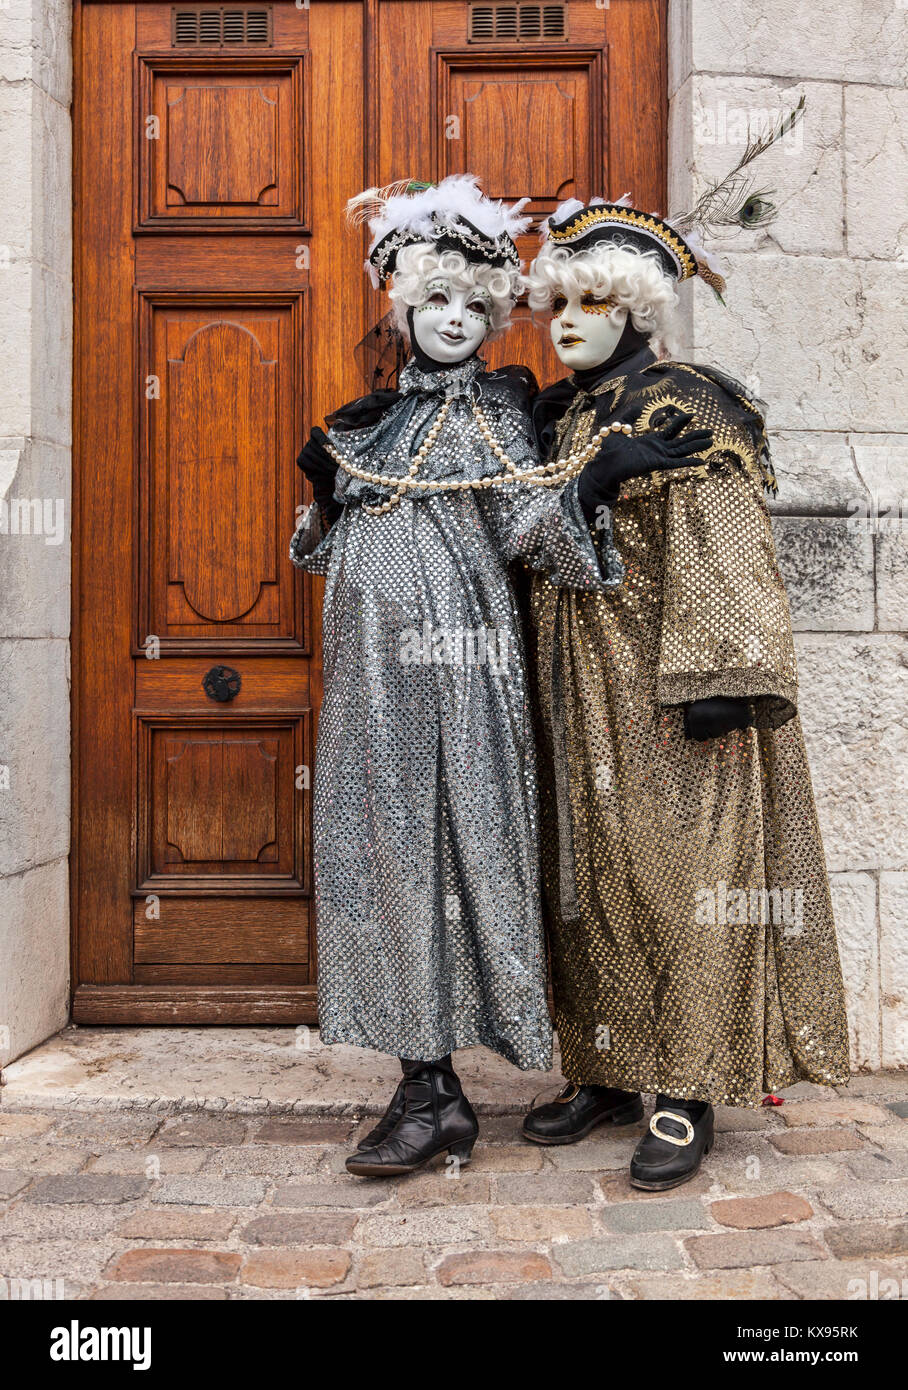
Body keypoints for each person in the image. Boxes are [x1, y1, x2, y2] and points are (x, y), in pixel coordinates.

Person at [289, 176, 623, 1178]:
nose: (450, 319)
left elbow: (533, 534)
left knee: (451, 858)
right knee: (382, 862)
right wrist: (322, 486)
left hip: (458, 678)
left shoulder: (501, 414)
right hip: (366, 688)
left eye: (470, 306)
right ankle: (424, 1083)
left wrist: (589, 487)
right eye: (433, 302)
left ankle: (440, 1084)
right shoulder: (373, 423)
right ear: (402, 307)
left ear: (489, 314)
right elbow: (318, 551)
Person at [520, 193, 851, 1190]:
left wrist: (720, 678)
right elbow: (525, 548)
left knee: (686, 886)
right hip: (575, 685)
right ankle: (605, 1067)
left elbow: (729, 545)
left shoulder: (687, 403)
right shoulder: (555, 418)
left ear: (633, 308)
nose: (567, 321)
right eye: (554, 304)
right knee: (586, 886)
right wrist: (577, 487)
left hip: (672, 693)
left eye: (589, 302)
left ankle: (685, 1090)